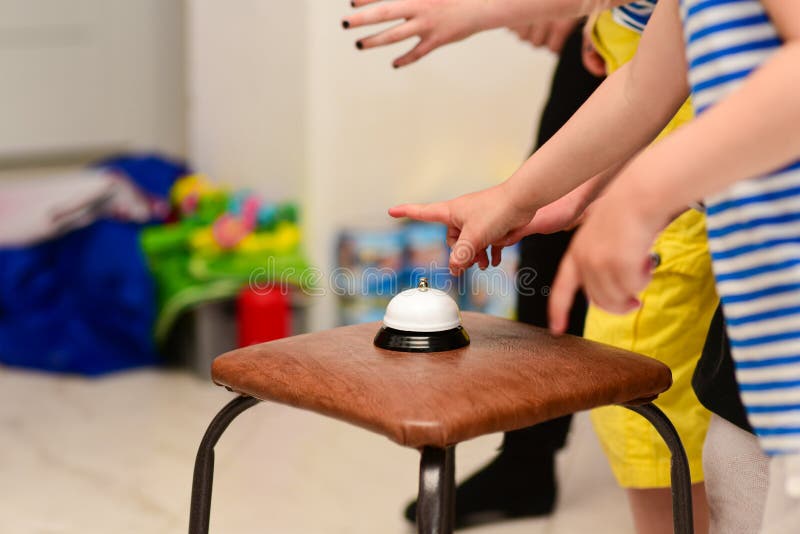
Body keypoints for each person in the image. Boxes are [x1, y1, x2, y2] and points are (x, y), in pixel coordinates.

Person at [388, 0, 800, 531]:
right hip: (764, 320)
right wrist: (518, 197)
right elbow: (641, 89)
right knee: (732, 458)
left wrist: (645, 193)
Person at [345, 6, 603, 527]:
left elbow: (649, 88)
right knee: (546, 239)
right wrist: (526, 198)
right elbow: (641, 92)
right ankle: (528, 460)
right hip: (613, 44)